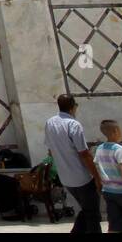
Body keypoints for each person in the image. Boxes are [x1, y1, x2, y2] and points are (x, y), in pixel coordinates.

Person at [43, 95, 102, 233]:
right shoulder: (73, 124)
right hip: (82, 177)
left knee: (87, 210)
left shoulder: (50, 123)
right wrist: (97, 178)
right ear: (73, 107)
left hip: (66, 178)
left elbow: (50, 150)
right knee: (92, 214)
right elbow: (84, 154)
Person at [94, 119, 122, 232]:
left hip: (109, 191)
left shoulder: (99, 149)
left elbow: (99, 168)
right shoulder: (120, 150)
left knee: (115, 225)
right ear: (116, 131)